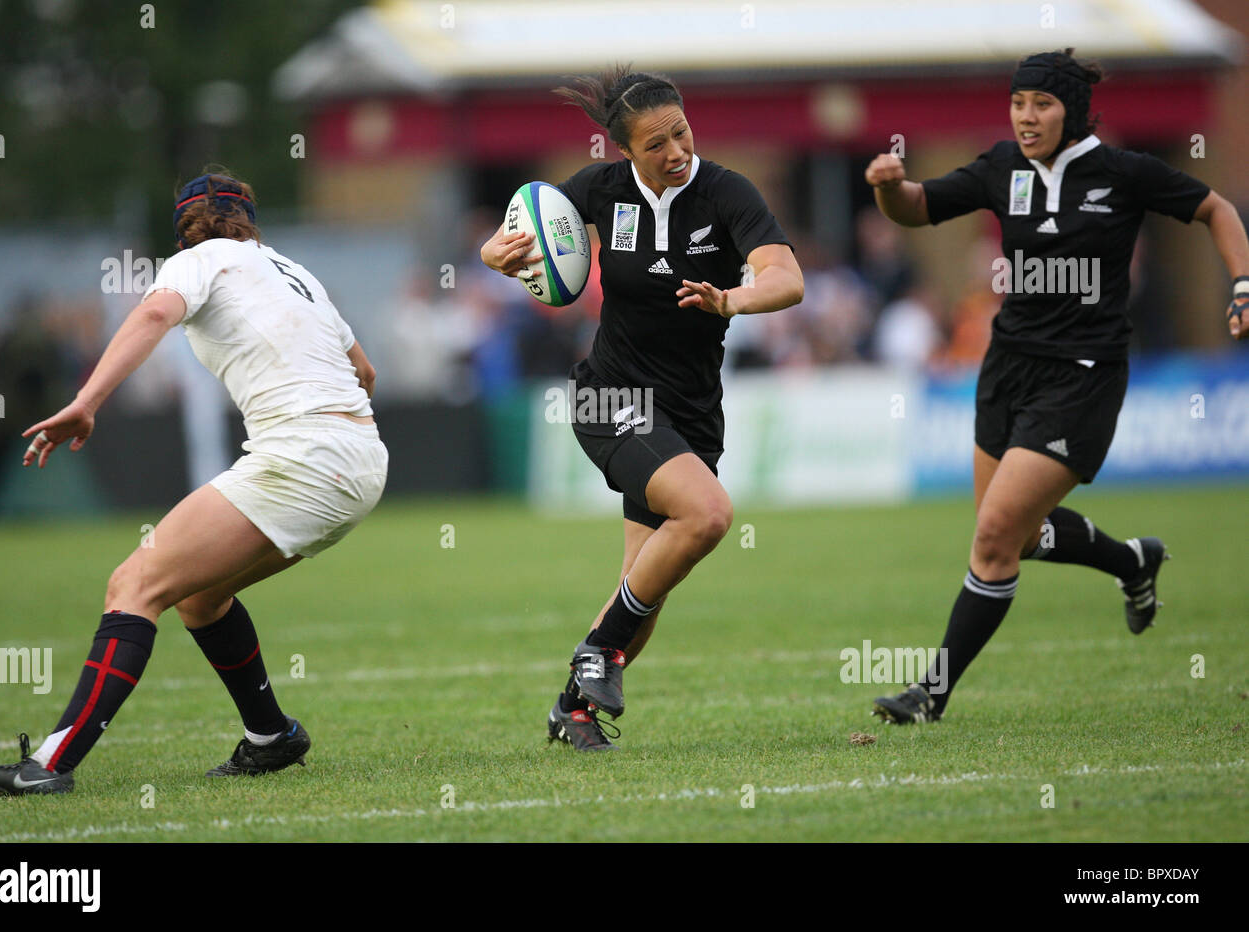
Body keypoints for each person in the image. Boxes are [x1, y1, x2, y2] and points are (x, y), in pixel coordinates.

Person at [0, 172, 388, 795]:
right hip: (362, 458)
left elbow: (155, 310)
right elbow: (364, 372)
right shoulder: (296, 273)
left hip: (305, 456)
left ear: (183, 230)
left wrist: (87, 401)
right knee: (199, 597)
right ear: (249, 221)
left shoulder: (201, 260)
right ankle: (272, 736)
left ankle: (48, 766)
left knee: (135, 583)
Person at [863, 49, 1249, 723]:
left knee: (992, 537)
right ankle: (1132, 561)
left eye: (1041, 104)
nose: (1026, 117)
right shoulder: (1000, 167)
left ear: (1072, 110)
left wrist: (1243, 284)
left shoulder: (1120, 172)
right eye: (1018, 104)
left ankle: (930, 694)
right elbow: (918, 210)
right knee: (1011, 534)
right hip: (1007, 368)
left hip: (1083, 376)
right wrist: (887, 187)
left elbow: (1216, 209)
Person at [481, 66, 803, 750]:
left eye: (681, 133)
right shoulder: (599, 190)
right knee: (710, 513)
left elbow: (786, 277)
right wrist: (495, 255)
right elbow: (517, 233)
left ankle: (573, 708)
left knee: (645, 583)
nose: (677, 152)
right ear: (625, 151)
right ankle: (595, 654)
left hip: (691, 412)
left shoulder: (726, 192)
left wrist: (734, 298)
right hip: (613, 395)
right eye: (656, 144)